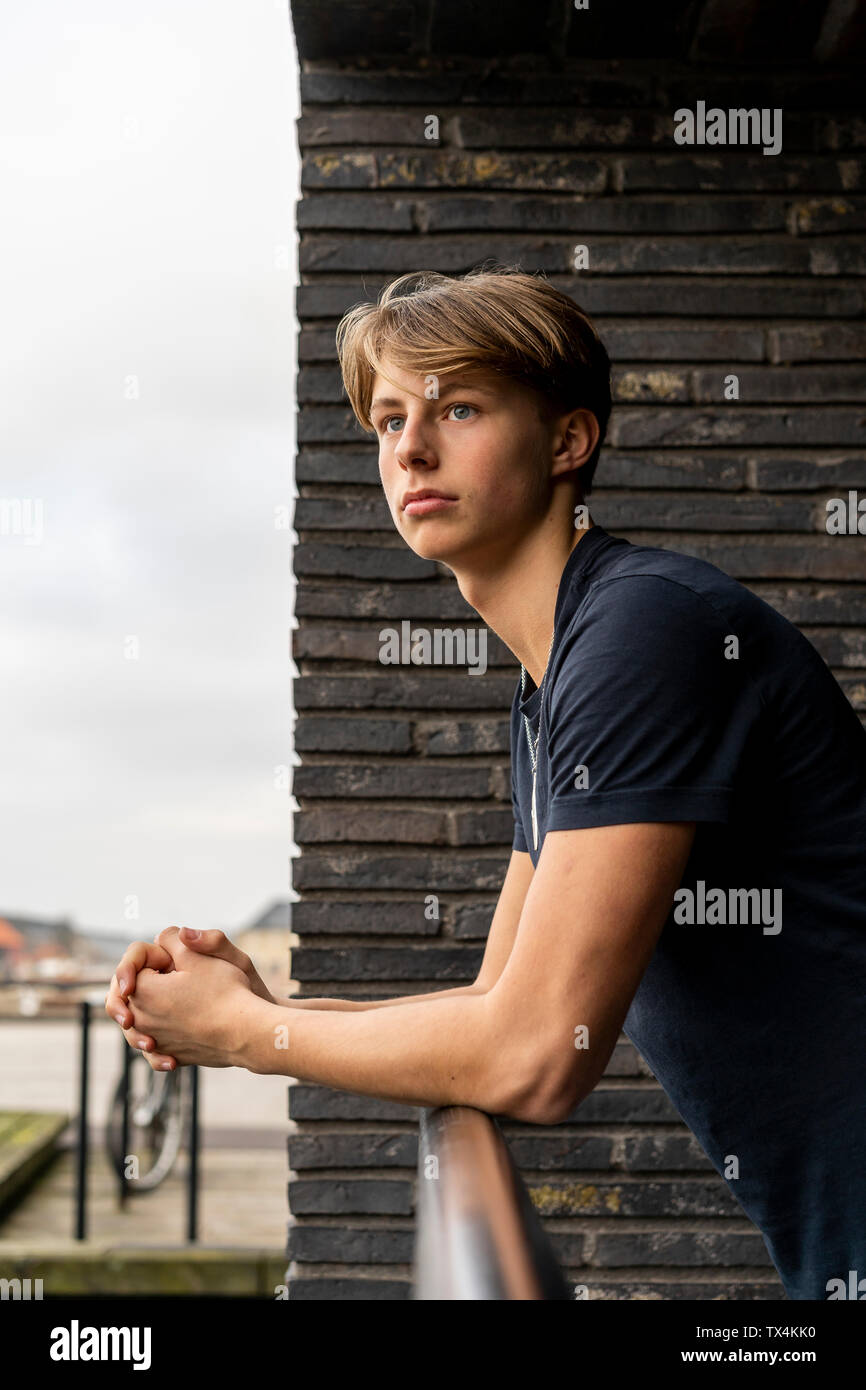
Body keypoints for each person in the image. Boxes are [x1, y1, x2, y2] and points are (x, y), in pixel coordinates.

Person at [106, 266, 866, 1301]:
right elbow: (493, 1004)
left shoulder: (643, 631)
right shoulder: (554, 685)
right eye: (388, 420)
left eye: (456, 408)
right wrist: (255, 1008)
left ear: (567, 441)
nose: (409, 449)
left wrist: (246, 1035)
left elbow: (534, 1057)